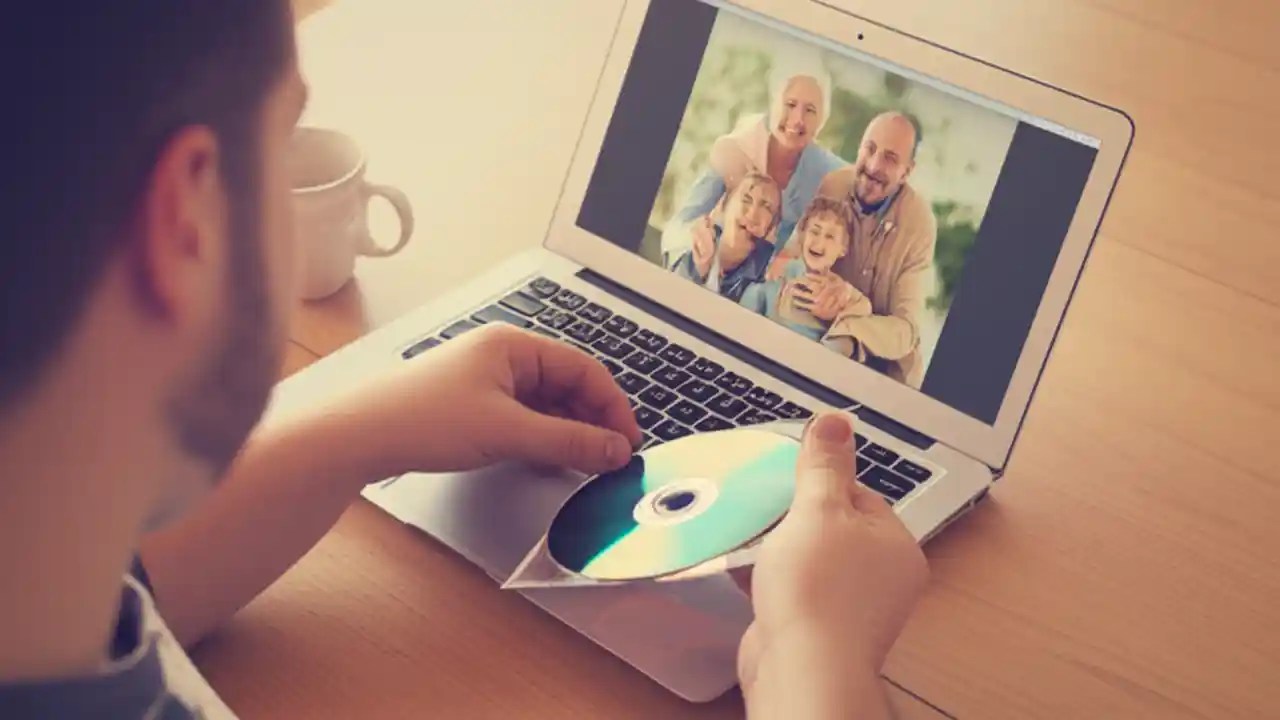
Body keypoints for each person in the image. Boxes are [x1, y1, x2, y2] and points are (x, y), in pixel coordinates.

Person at [0, 4, 928, 719]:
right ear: (185, 229)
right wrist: (819, 660)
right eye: (277, 149)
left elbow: (120, 582)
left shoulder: (41, 570)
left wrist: (370, 430)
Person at [660, 50, 847, 270]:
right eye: (790, 104)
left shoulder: (826, 171)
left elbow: (860, 178)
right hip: (714, 273)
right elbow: (677, 227)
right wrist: (696, 243)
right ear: (773, 103)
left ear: (821, 121)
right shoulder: (737, 149)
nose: (797, 120)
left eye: (810, 110)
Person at [796, 111, 938, 389]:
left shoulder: (920, 222)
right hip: (821, 363)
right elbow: (794, 260)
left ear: (906, 172)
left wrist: (846, 320)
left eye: (890, 158)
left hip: (885, 381)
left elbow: (905, 331)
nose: (873, 166)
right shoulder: (833, 186)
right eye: (869, 149)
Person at [740, 196, 870, 343]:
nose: (819, 242)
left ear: (843, 249)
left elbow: (863, 308)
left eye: (830, 236)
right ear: (802, 235)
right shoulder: (779, 273)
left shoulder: (840, 290)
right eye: (814, 232)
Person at [670, 172, 781, 303]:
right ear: (724, 205)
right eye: (746, 199)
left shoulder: (765, 279)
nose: (752, 214)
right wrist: (701, 269)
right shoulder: (693, 247)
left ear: (772, 227)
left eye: (766, 207)